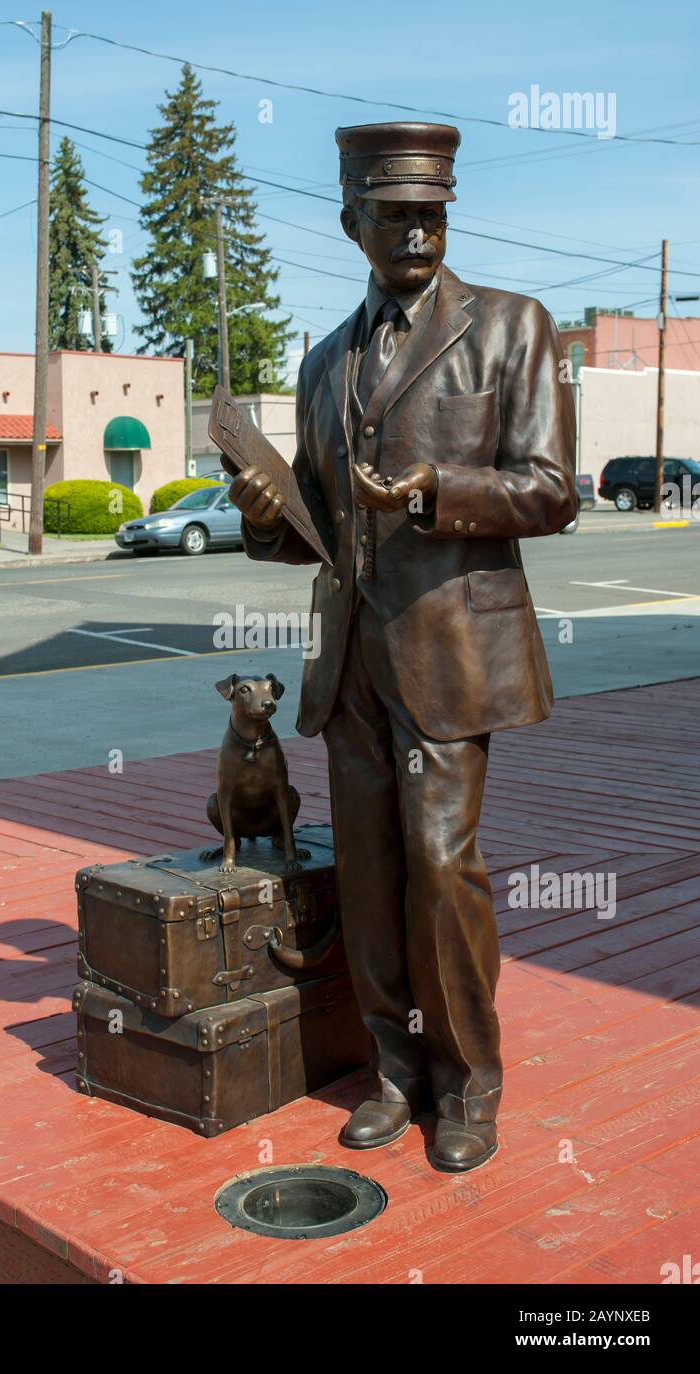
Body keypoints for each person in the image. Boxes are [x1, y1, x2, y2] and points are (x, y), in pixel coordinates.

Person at [227, 122, 577, 1172]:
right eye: (394, 215)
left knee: (441, 866)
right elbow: (316, 526)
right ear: (352, 224)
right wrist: (259, 510)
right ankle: (392, 1066)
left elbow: (553, 491)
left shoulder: (513, 327)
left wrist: (434, 492)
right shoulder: (324, 360)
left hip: (451, 651)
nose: (416, 231)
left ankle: (468, 1082)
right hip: (350, 665)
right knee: (372, 873)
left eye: (430, 214)